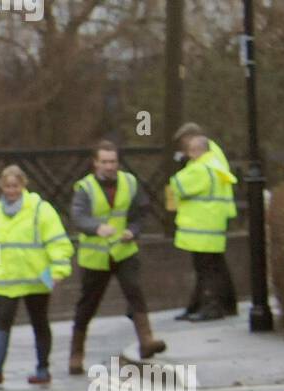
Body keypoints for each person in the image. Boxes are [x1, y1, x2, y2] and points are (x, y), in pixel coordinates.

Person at [0, 166, 73, 385]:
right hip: (6, 279)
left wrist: (58, 270)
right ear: (1, 187)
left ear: (23, 185)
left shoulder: (40, 210)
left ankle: (42, 369)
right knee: (1, 321)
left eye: (15, 186)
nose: (11, 190)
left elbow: (57, 242)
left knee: (39, 322)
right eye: (7, 186)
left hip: (37, 278)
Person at [68, 139, 165, 374]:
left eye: (112, 161)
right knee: (87, 305)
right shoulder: (85, 188)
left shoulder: (130, 183)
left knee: (135, 291)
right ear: (95, 163)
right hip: (96, 257)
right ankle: (76, 353)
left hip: (124, 251)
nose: (109, 166)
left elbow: (140, 213)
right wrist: (96, 227)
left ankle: (146, 340)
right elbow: (78, 216)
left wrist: (134, 230)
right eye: (104, 162)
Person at [169, 132, 238, 322]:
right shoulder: (215, 165)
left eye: (190, 150)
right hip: (211, 226)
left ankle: (211, 307)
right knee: (211, 268)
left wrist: (180, 164)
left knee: (205, 269)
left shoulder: (201, 169)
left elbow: (177, 185)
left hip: (200, 228)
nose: (188, 154)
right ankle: (202, 305)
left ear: (198, 150)